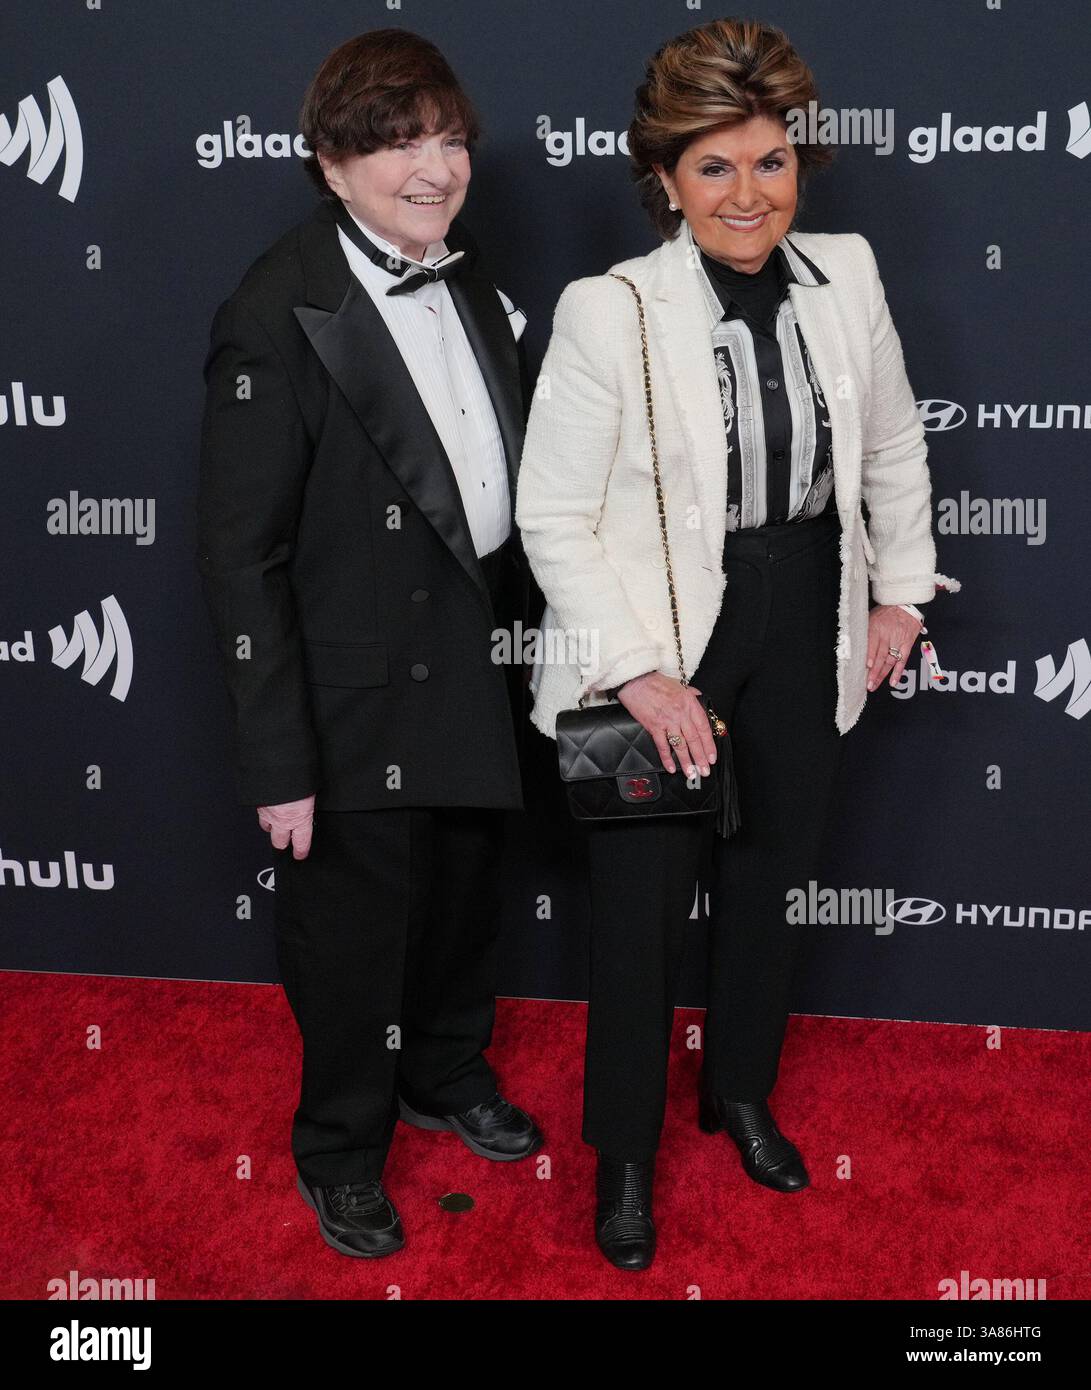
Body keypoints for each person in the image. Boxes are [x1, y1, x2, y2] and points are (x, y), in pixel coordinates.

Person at [515, 16, 960, 1270]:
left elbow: (887, 448)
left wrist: (898, 593)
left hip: (808, 592)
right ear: (663, 179)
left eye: (769, 162)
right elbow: (549, 511)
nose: (747, 194)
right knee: (642, 910)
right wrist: (635, 669)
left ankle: (740, 1091)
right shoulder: (607, 311)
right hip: (662, 632)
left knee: (770, 875)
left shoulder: (849, 274)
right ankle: (622, 1155)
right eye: (715, 167)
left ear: (799, 168)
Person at [197, 28, 542, 1260]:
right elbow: (242, 558)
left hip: (475, 655)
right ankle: (339, 1147)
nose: (433, 166)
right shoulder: (272, 312)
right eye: (398, 141)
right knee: (351, 943)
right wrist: (279, 759)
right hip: (350, 695)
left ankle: (443, 1073)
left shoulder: (467, 274)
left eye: (447, 137)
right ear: (332, 163)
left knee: (459, 899)